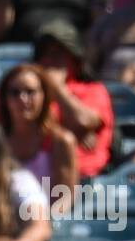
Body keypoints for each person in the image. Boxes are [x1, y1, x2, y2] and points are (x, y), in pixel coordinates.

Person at [33, 19, 115, 179]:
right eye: (45, 54)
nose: (50, 62)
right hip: (40, 178)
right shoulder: (32, 92)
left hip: (87, 181)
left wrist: (57, 88)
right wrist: (70, 133)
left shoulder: (93, 90)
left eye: (58, 55)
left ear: (75, 60)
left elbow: (83, 120)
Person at [0, 63, 78, 204]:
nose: (23, 98)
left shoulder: (61, 141)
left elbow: (65, 199)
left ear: (44, 96)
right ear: (5, 99)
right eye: (15, 93)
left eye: (30, 91)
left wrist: (42, 222)